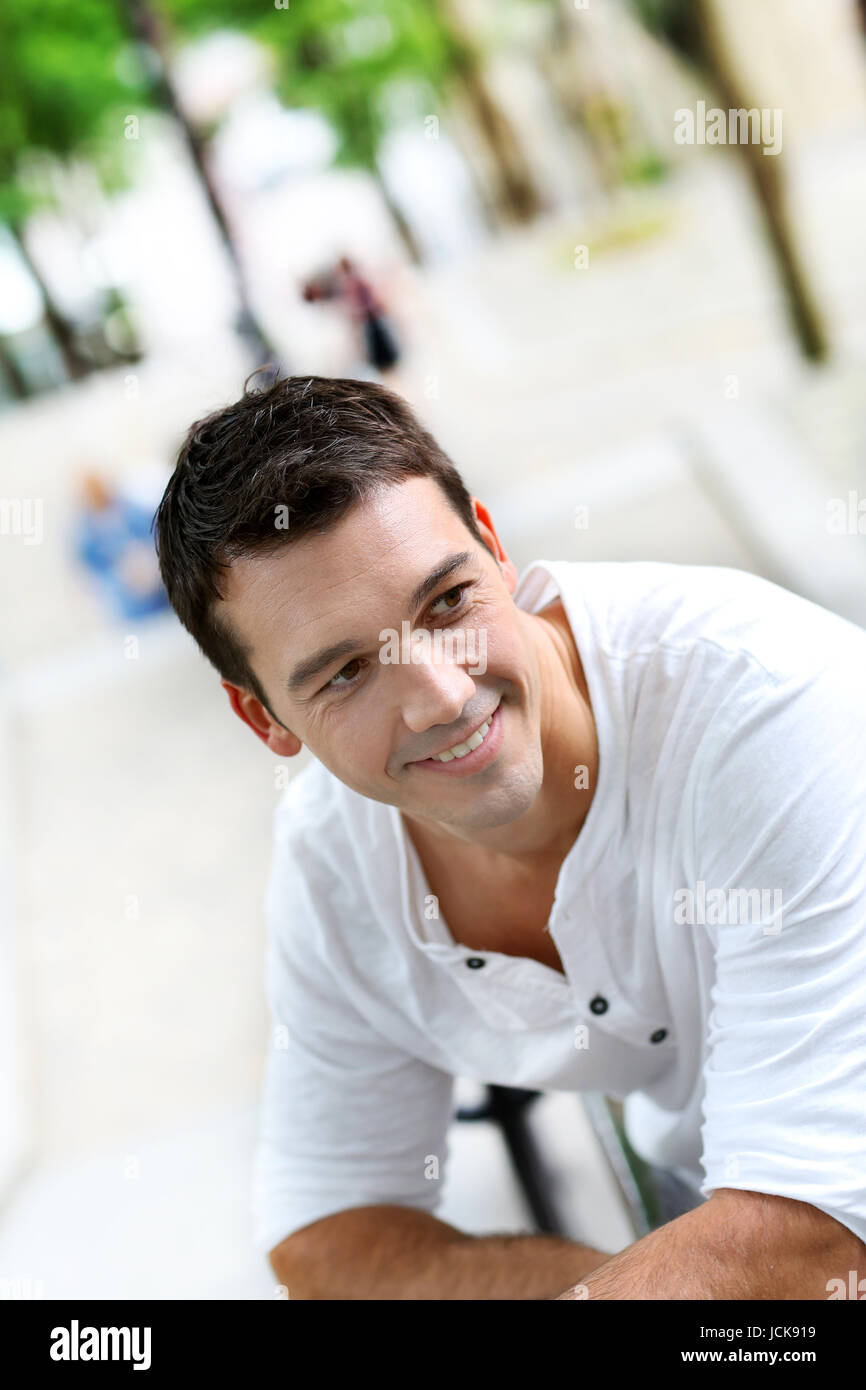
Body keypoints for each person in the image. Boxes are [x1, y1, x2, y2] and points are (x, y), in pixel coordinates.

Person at [153, 374, 866, 1300]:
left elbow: (816, 1246)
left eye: (447, 603)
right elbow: (326, 1236)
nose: (445, 699)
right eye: (347, 673)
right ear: (264, 720)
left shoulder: (769, 703)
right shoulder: (334, 861)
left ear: (493, 547)